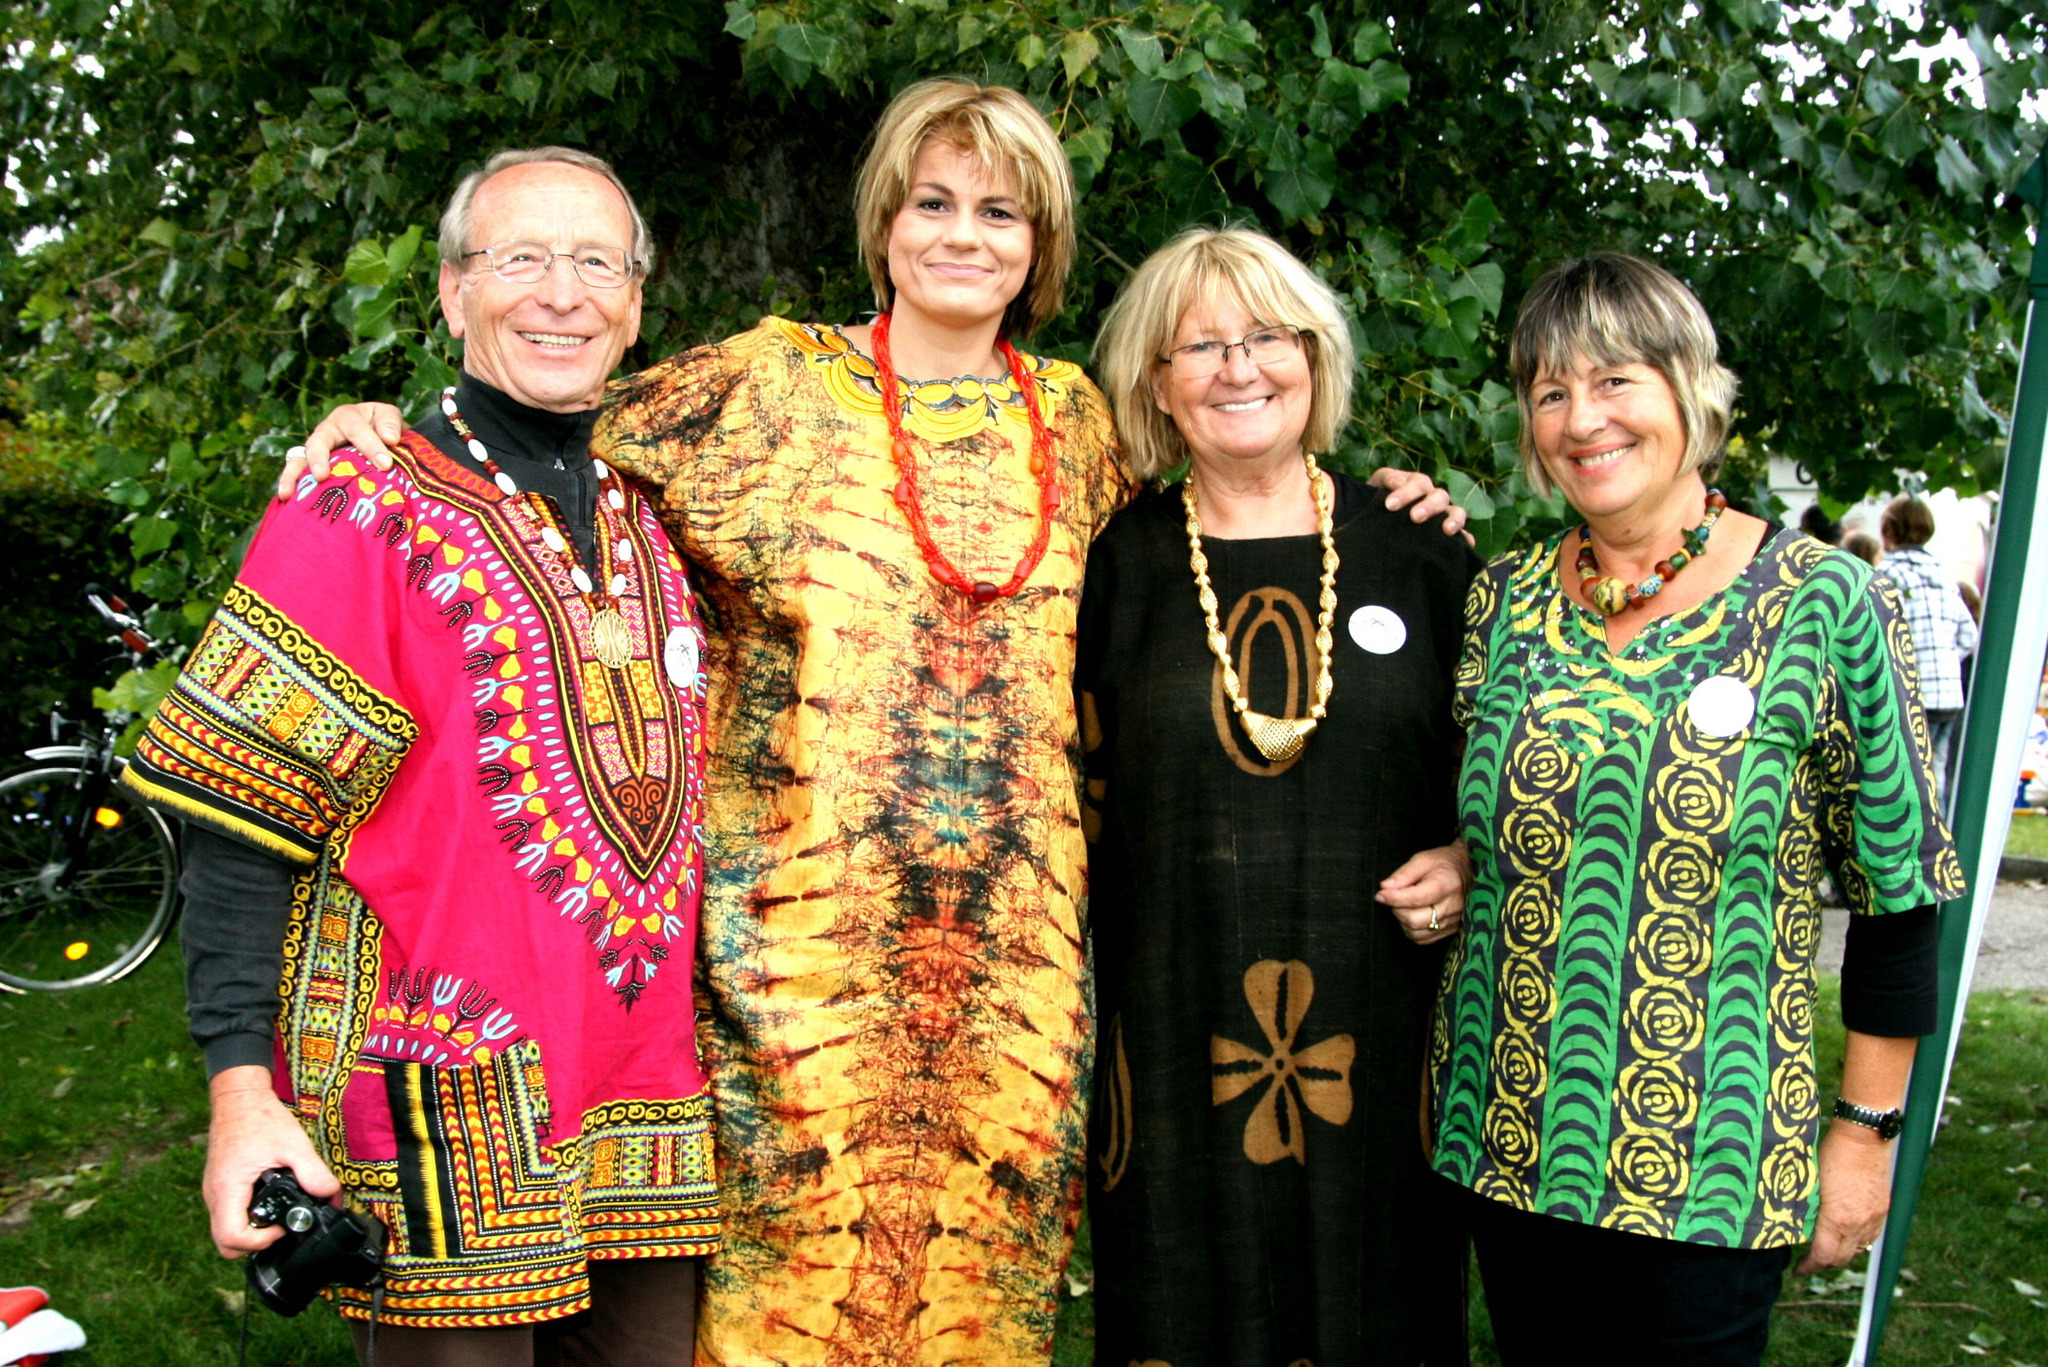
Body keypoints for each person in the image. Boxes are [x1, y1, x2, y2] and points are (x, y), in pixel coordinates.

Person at [287, 82, 1463, 1364]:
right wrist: (388, 431)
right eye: (933, 202)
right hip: (790, 980)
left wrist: (1395, 502)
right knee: (776, 1315)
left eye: (1000, 210)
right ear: (884, 224)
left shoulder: (1084, 426)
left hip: (1015, 986)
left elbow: (1244, 474)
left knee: (974, 1310)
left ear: (1040, 243)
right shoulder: (761, 385)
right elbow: (543, 410)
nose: (965, 234)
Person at [123, 148, 720, 1363]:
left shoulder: (646, 514)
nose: (562, 292)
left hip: (645, 1108)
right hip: (447, 1120)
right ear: (453, 294)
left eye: (594, 262)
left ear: (637, 303)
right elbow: (238, 820)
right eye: (520, 259)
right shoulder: (357, 501)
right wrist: (241, 1096)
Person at [1430, 252, 1965, 1365]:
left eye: (1615, 379)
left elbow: (1900, 893)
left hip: (1707, 1160)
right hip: (1504, 1130)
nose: (1582, 418)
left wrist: (1864, 1140)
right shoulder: (1501, 599)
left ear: (1689, 391)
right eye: (1548, 391)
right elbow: (1491, 817)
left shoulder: (1824, 600)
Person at [1077, 227, 1477, 1365]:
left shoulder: (1418, 548)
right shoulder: (1111, 562)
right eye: (1198, 343)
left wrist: (1459, 856)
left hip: (1386, 1039)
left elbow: (1505, 774)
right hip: (1165, 1036)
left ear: (1316, 354)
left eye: (1267, 335)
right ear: (1154, 381)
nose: (1238, 366)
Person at [1878, 495, 1979, 805]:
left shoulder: (1888, 573)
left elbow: (1881, 632)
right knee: (1937, 776)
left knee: (1902, 778)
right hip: (1948, 694)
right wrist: (1945, 662)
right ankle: (1941, 843)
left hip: (1908, 693)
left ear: (1889, 530)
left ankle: (1911, 845)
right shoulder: (1943, 574)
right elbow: (1968, 634)